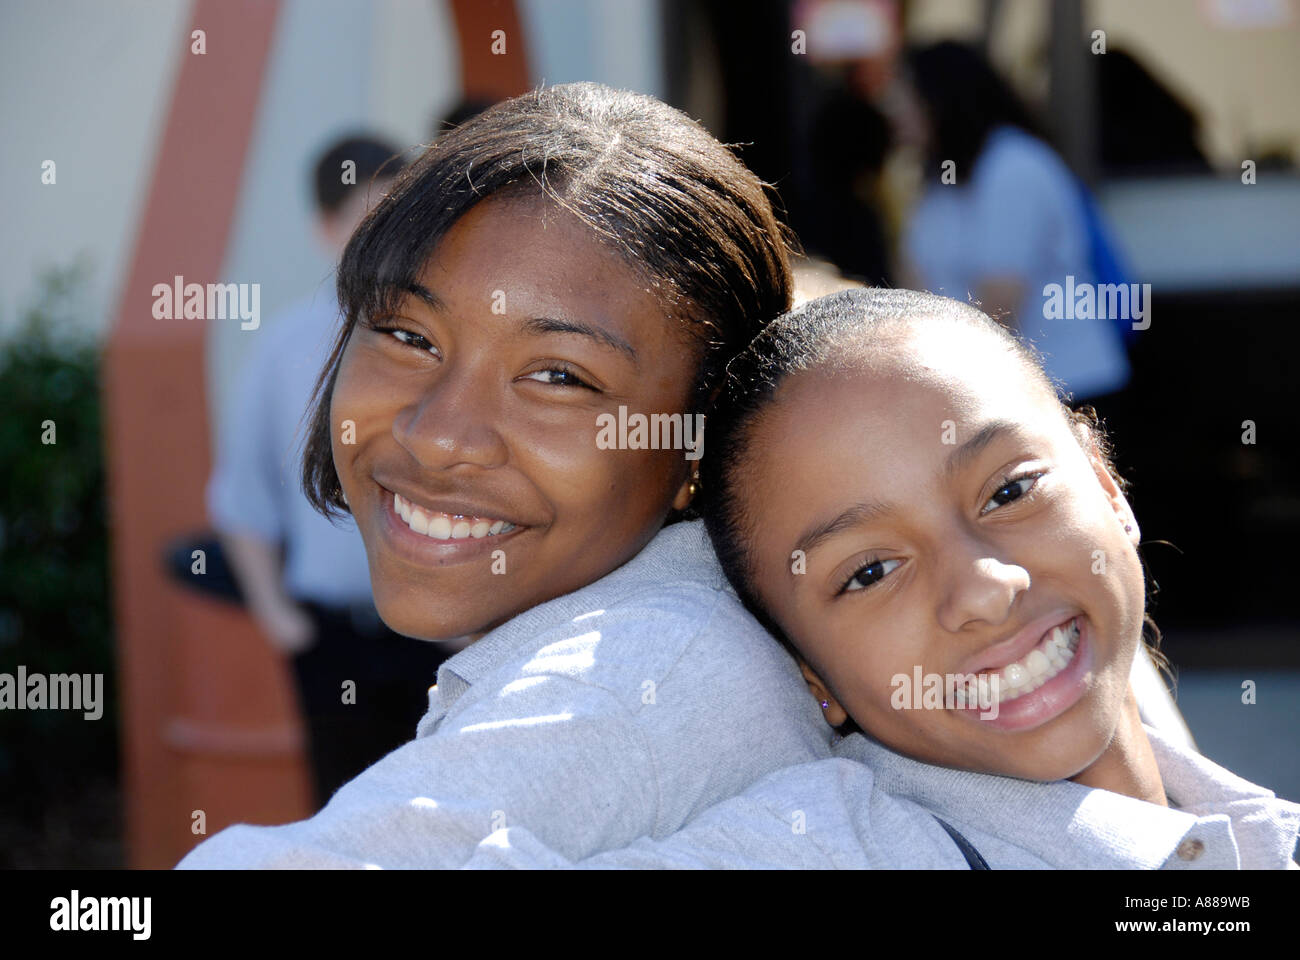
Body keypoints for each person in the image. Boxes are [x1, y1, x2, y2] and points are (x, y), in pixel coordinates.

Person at [175, 82, 832, 869]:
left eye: (557, 376)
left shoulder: (620, 689)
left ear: (706, 440)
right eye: (408, 335)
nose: (438, 437)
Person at [463, 289, 1300, 869]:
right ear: (812, 677)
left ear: (1108, 489)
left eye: (1009, 491)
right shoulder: (845, 850)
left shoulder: (1261, 839)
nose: (981, 589)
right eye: (869, 572)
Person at [206, 134, 456, 810]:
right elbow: (242, 499)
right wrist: (278, 615)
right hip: (331, 638)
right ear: (326, 229)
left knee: (442, 816)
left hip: (439, 632)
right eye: (366, 219)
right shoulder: (285, 350)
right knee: (343, 812)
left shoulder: (449, 342)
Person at [900, 42, 1130, 403]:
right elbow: (914, 289)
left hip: (1067, 390)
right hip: (999, 387)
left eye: (906, 97)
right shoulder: (940, 176)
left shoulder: (1013, 167)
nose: (896, 112)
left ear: (941, 100)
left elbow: (1001, 302)